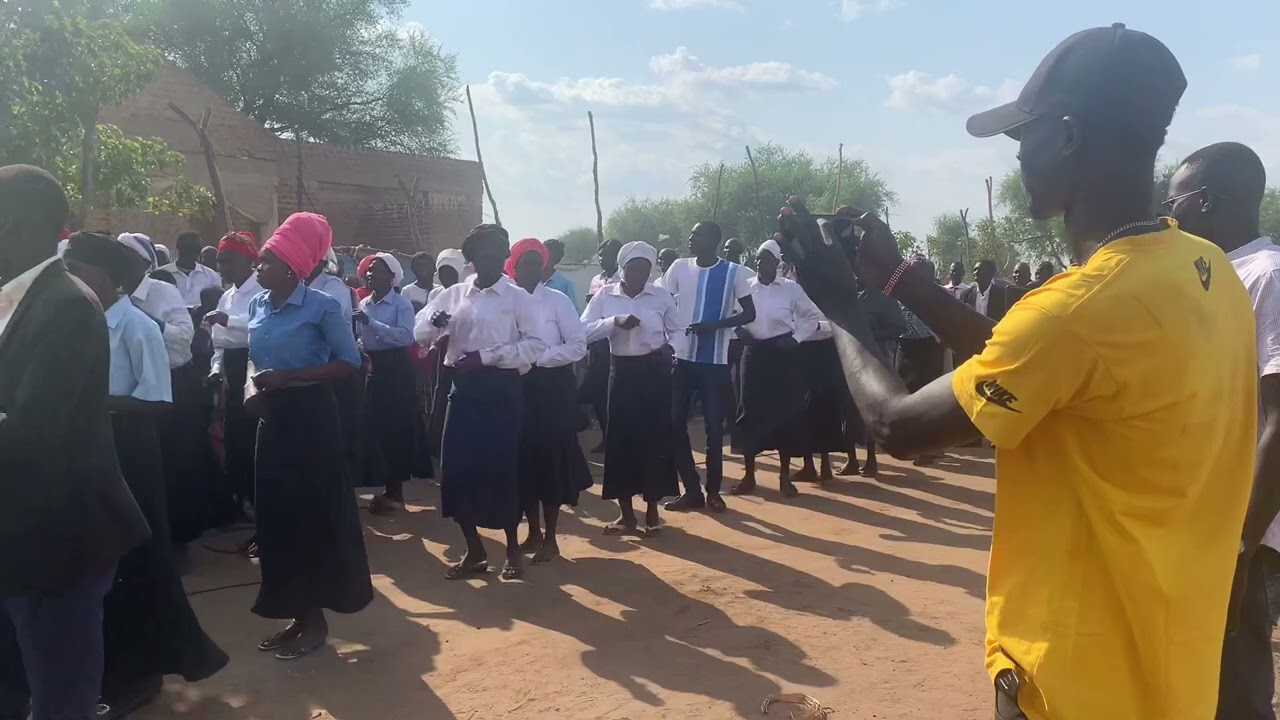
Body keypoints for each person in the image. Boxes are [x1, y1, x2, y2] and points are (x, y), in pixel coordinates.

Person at [780, 24, 1256, 720]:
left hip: (1070, 680)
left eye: (1022, 135)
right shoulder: (1203, 268)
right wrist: (899, 279)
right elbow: (1031, 360)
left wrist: (841, 306)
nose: (1016, 155)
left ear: (1066, 135)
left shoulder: (1082, 307)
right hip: (1170, 666)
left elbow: (896, 426)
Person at [0, 166, 149, 720]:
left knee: (61, 699)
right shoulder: (15, 298)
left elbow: (32, 433)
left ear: (9, 223)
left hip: (54, 543)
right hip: (14, 534)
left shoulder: (65, 305)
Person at [62, 232, 227, 719]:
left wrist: (93, 402)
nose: (71, 279)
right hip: (92, 446)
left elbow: (156, 400)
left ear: (105, 276)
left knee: (136, 559)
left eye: (78, 270)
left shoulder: (137, 326)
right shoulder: (81, 322)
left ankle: (142, 674)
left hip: (131, 450)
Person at [1166, 141, 1280, 720]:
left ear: (1206, 200)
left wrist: (1239, 546)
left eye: (1174, 202)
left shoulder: (1268, 277)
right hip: (1200, 528)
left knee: (1234, 696)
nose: (1169, 216)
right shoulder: (1211, 275)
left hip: (1240, 540)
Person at [248, 212, 372, 660]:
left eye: (266, 261)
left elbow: (348, 363)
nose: (257, 267)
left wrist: (290, 376)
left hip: (311, 419)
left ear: (290, 268)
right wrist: (252, 390)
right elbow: (252, 358)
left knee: (310, 518)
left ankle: (316, 622)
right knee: (276, 518)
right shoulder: (257, 305)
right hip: (271, 417)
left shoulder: (321, 307)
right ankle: (296, 613)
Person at [415, 225, 546, 581]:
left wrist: (486, 357)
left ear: (505, 259)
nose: (492, 263)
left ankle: (513, 549)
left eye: (498, 257)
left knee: (502, 470)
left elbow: (535, 346)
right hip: (463, 391)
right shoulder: (453, 294)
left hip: (502, 392)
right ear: (472, 260)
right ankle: (474, 550)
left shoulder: (518, 298)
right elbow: (421, 333)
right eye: (484, 257)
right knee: (457, 471)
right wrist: (433, 323)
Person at [117, 232, 212, 552]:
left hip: (173, 384)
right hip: (132, 390)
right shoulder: (111, 295)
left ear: (143, 262)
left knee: (175, 460)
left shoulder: (162, 292)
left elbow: (183, 338)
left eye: (127, 255)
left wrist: (146, 321)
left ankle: (178, 537)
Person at [581, 241, 680, 535]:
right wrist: (614, 322)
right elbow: (582, 330)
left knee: (653, 441)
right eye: (633, 269)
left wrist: (670, 349)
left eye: (644, 270)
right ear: (622, 269)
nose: (639, 275)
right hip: (621, 373)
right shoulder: (605, 296)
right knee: (621, 441)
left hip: (654, 374)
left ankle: (651, 512)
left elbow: (679, 331)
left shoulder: (661, 296)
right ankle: (626, 514)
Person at [662, 221, 756, 513]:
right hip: (682, 359)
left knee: (714, 430)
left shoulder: (733, 272)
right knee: (674, 425)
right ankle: (691, 490)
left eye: (697, 234)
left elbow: (749, 313)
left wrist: (714, 325)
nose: (691, 238)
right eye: (691, 234)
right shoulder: (679, 267)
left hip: (714, 362)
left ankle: (713, 491)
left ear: (713, 239)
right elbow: (662, 301)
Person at [508, 238, 592, 563]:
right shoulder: (506, 300)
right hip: (517, 389)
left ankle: (551, 539)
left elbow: (578, 344)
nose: (532, 269)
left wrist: (540, 358)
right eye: (525, 263)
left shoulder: (557, 300)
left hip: (552, 389)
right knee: (524, 462)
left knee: (551, 462)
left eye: (536, 263)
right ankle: (533, 532)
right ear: (513, 267)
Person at [730, 239, 817, 497]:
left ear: (776, 263)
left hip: (782, 354)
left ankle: (784, 476)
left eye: (766, 258)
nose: (760, 263)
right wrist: (738, 330)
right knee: (748, 411)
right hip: (753, 353)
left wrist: (796, 338)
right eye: (757, 258)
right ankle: (749, 476)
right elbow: (732, 313)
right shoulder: (745, 287)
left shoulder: (790, 289)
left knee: (783, 412)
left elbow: (811, 316)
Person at [205, 231, 264, 524]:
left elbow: (262, 326)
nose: (222, 268)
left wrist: (228, 320)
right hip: (231, 367)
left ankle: (259, 499)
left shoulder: (261, 291)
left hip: (255, 366)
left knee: (254, 435)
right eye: (219, 261)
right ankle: (241, 498)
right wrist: (216, 369)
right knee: (234, 437)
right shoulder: (226, 296)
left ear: (246, 261)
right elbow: (220, 342)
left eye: (227, 261)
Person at [357, 252, 422, 515]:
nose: (370, 274)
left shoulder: (401, 304)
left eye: (378, 270)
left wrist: (371, 324)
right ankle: (386, 488)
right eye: (369, 270)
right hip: (373, 367)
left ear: (391, 277)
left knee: (395, 428)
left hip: (396, 369)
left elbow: (406, 337)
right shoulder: (364, 304)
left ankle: (397, 492)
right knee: (376, 428)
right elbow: (362, 337)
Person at [580, 238, 623, 453]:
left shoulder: (622, 279)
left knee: (612, 394)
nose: (602, 258)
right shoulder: (596, 279)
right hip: (597, 341)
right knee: (598, 393)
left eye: (608, 254)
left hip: (615, 341)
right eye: (601, 253)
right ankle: (607, 437)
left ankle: (616, 439)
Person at [160, 231, 223, 306]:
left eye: (196, 250)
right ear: (179, 248)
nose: (192, 253)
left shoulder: (211, 276)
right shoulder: (161, 274)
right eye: (188, 249)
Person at [960, 259, 1016, 323]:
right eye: (975, 270)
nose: (976, 272)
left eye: (980, 270)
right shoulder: (966, 295)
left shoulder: (1002, 295)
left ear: (990, 274)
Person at [542, 238, 581, 313]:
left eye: (545, 255)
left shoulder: (565, 285)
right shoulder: (532, 282)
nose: (542, 258)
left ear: (555, 258)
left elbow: (574, 313)